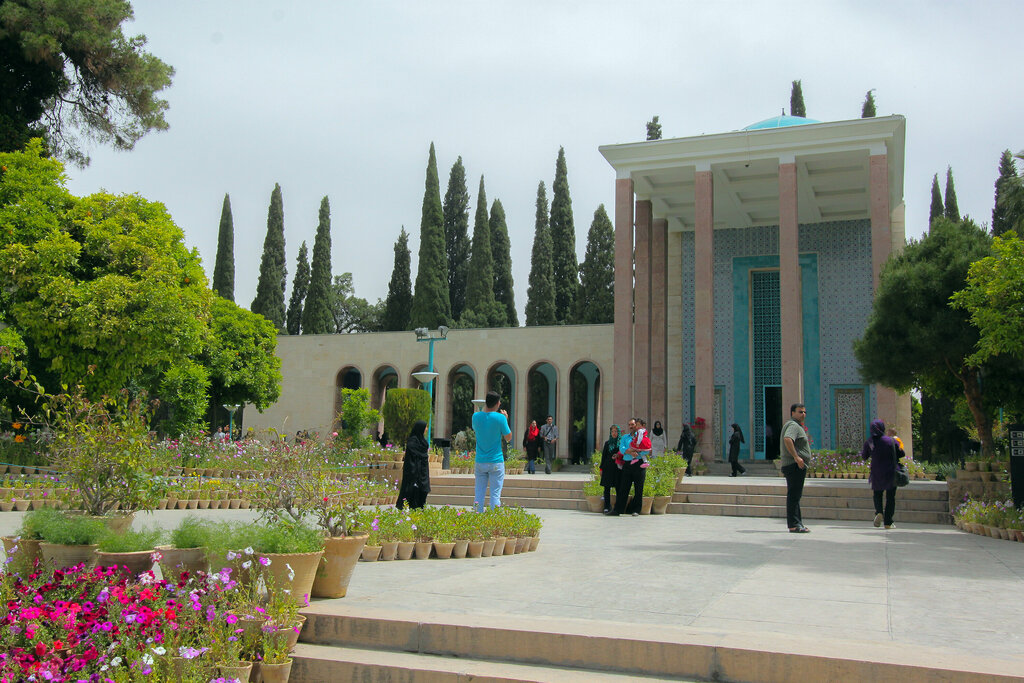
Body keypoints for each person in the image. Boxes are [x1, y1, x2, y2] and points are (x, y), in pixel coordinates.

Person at [472, 390, 512, 512]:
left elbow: (476, 430)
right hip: (496, 460)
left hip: (480, 460)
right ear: (497, 403)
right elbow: (508, 438)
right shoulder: (500, 418)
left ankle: (476, 516)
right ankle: (494, 519)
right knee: (495, 494)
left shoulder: (475, 416)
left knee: (479, 492)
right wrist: (505, 419)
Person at [862, 419, 901, 529]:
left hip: (877, 472)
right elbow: (901, 453)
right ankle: (888, 522)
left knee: (877, 494)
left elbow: (864, 456)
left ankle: (879, 512)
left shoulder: (870, 442)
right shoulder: (891, 441)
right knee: (890, 497)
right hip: (890, 472)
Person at [611, 418, 652, 516]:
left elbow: (647, 450)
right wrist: (629, 451)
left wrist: (637, 453)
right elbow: (621, 448)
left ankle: (636, 510)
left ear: (637, 425)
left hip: (639, 464)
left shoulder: (642, 436)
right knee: (624, 488)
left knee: (639, 488)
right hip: (628, 464)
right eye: (629, 425)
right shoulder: (625, 437)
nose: (631, 426)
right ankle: (618, 510)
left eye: (633, 424)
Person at [780, 403, 811, 533]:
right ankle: (794, 524)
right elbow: (788, 439)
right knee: (794, 495)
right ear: (793, 413)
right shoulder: (793, 425)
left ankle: (797, 523)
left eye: (804, 412)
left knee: (795, 495)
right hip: (794, 465)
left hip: (794, 465)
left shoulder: (795, 425)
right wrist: (796, 457)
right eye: (800, 412)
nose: (803, 414)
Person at [396, 420, 431, 510]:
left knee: (424, 491)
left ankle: (420, 509)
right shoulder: (412, 442)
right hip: (414, 473)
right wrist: (415, 472)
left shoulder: (422, 442)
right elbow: (411, 459)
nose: (426, 429)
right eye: (425, 427)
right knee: (413, 493)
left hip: (423, 472)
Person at [599, 425, 621, 513]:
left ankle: (618, 507)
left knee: (618, 487)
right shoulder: (607, 443)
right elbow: (604, 457)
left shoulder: (621, 443)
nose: (614, 433)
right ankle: (607, 507)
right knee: (607, 488)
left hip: (617, 468)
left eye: (616, 431)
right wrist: (601, 469)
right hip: (608, 467)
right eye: (612, 431)